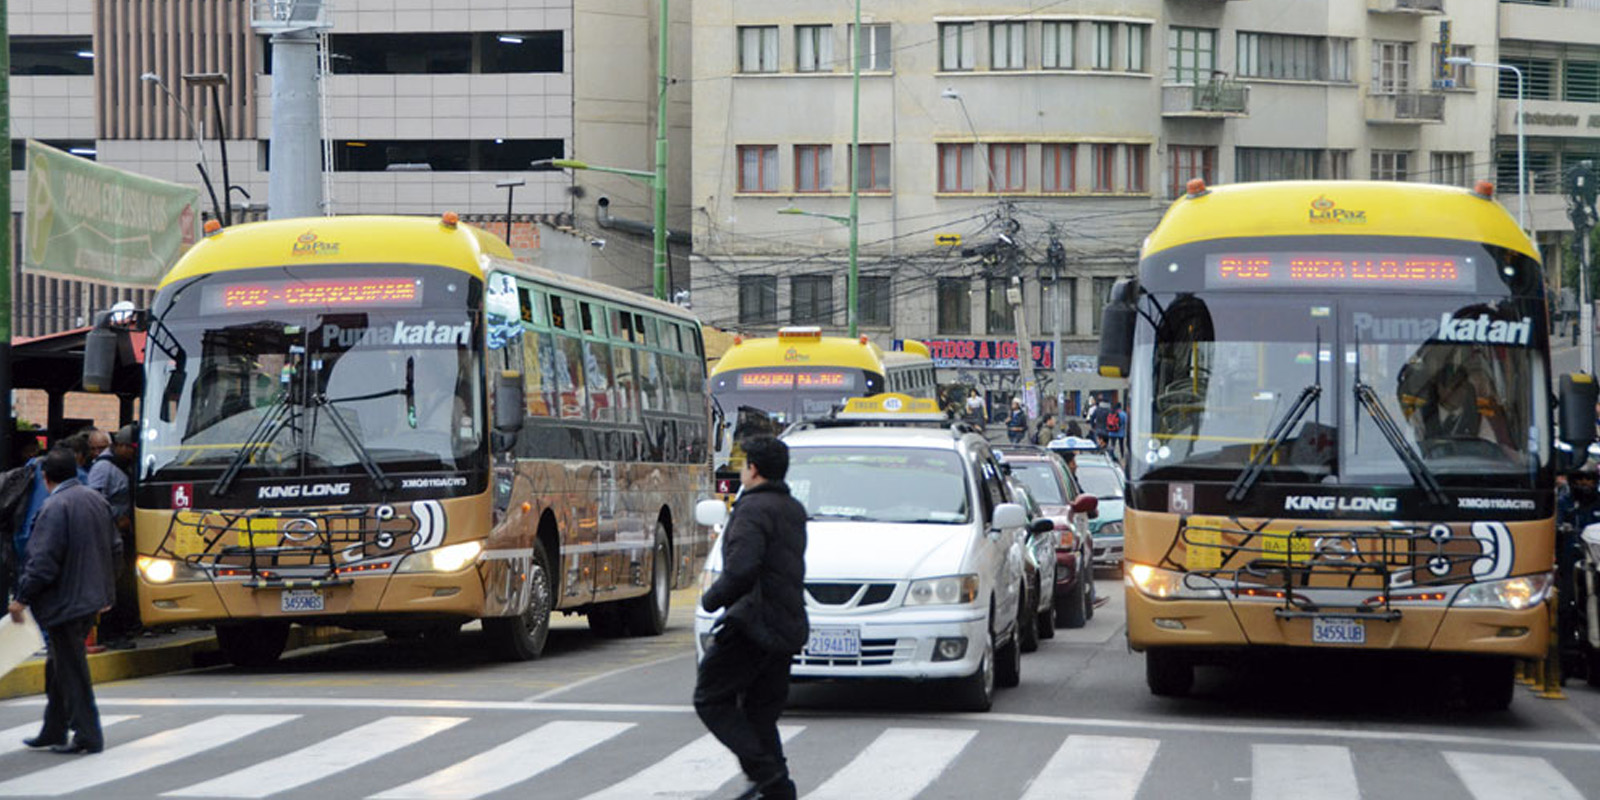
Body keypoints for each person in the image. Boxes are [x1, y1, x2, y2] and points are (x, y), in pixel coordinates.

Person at [695, 435, 808, 800]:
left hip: (751, 623)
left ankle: (768, 777)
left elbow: (742, 569)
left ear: (753, 470)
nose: (741, 470)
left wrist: (712, 599)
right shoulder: (791, 508)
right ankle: (779, 790)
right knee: (760, 711)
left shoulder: (752, 509)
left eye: (744, 464)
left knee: (711, 698)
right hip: (785, 622)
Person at [8, 447, 121, 755]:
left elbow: (43, 562)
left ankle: (87, 734)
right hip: (89, 599)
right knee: (58, 666)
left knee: (71, 671)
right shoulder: (96, 500)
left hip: (65, 603)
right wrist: (107, 594)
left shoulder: (54, 507)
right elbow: (115, 549)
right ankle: (53, 729)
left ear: (45, 478)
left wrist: (21, 598)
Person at [89, 425, 139, 646]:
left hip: (124, 535)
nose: (134, 452)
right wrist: (116, 520)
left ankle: (126, 627)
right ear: (119, 446)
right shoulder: (103, 468)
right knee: (113, 585)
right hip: (110, 535)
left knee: (125, 583)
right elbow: (96, 500)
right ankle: (111, 633)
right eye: (132, 448)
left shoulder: (126, 465)